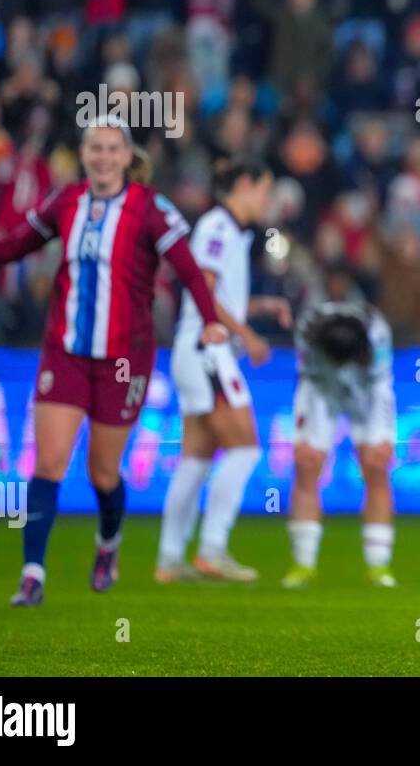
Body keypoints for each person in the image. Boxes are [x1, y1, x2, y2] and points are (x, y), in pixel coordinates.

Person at [0, 115, 228, 606]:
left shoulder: (150, 208)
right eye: (95, 149)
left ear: (127, 157)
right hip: (65, 353)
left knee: (103, 473)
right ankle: (32, 575)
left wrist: (211, 319)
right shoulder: (66, 201)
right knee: (48, 464)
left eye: (112, 149)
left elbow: (189, 269)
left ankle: (108, 544)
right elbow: (12, 247)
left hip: (123, 361)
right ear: (84, 155)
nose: (103, 157)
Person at [157, 158, 292, 583]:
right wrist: (247, 335)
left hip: (194, 350)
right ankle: (212, 549)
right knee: (246, 448)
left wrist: (258, 309)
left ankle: (169, 558)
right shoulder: (218, 227)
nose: (266, 200)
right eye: (264, 190)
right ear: (246, 184)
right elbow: (205, 296)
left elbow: (218, 299)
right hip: (208, 352)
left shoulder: (230, 231)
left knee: (196, 458)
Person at [283, 299, 398, 589]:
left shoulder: (378, 332)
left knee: (376, 465)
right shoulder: (307, 331)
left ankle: (378, 566)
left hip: (368, 388)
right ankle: (303, 564)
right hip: (320, 388)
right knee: (307, 463)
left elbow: (381, 385)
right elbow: (306, 379)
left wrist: (383, 436)